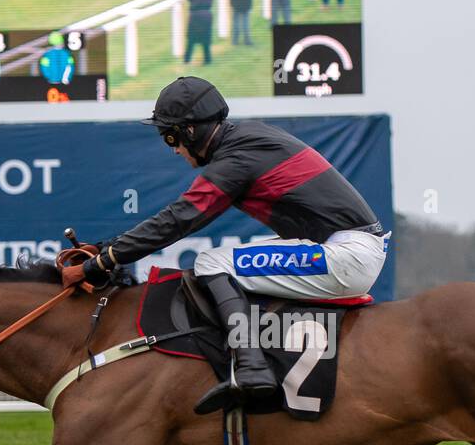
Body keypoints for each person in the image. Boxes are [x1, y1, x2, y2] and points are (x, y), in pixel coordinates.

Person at [62, 77, 389, 413]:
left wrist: (100, 263)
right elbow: (178, 217)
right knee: (225, 264)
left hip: (347, 253)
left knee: (212, 263)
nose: (172, 148)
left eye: (169, 136)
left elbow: (180, 218)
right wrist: (109, 250)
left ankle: (252, 369)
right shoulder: (243, 141)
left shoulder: (238, 156)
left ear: (189, 131)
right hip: (344, 247)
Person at [184, 0, 212, 64]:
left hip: (196, 16)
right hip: (207, 15)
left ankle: (187, 60)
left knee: (191, 40)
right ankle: (208, 60)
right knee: (205, 40)